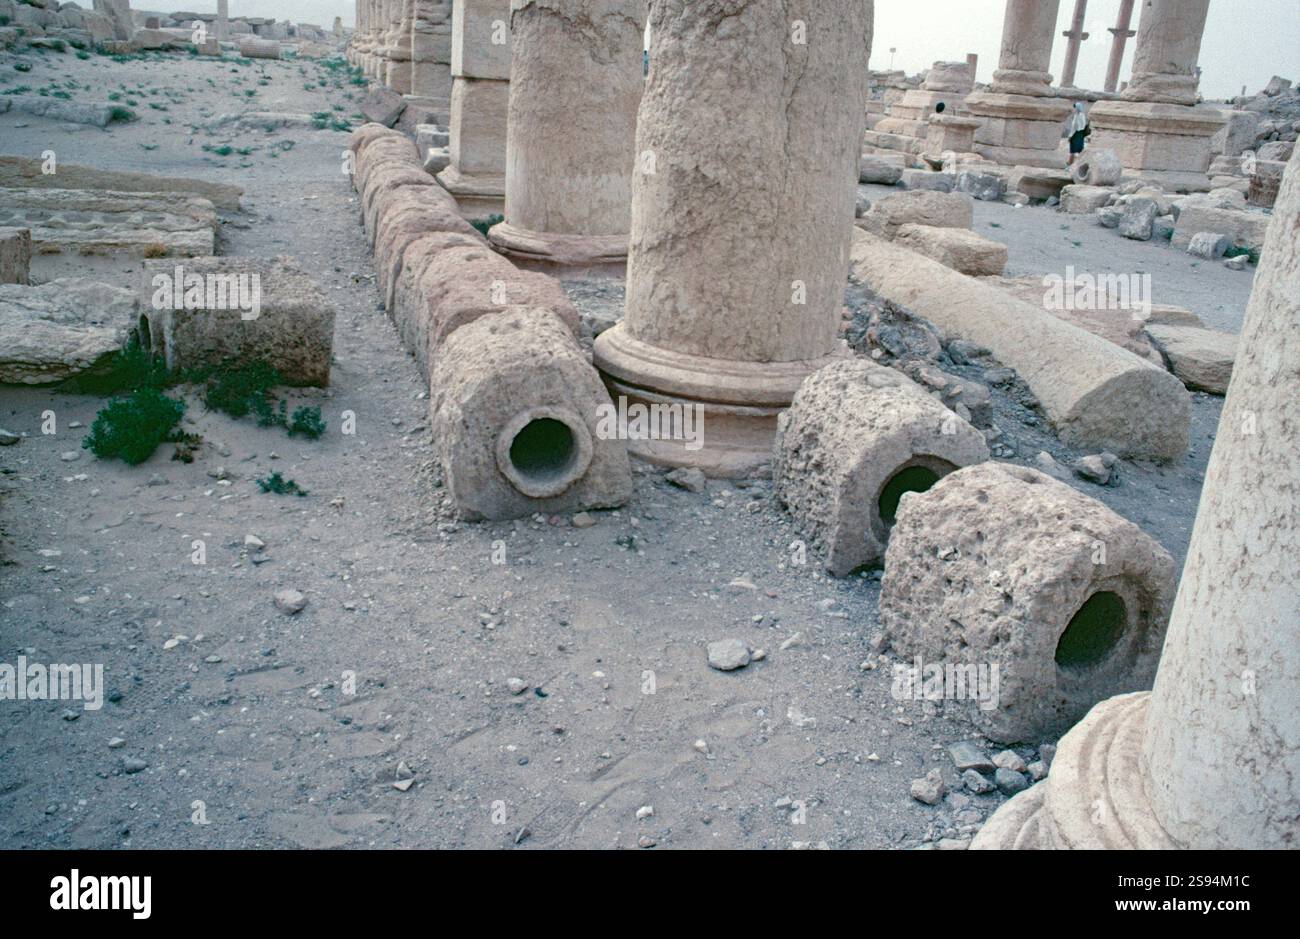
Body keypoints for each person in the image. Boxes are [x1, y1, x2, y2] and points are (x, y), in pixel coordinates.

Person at [1066, 101, 1090, 165]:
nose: (1074, 109)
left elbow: (1079, 127)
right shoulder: (1077, 115)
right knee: (1073, 151)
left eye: (1075, 108)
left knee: (1077, 151)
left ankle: (1075, 164)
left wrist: (1071, 136)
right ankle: (1070, 164)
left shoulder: (1081, 115)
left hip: (1077, 134)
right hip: (1076, 134)